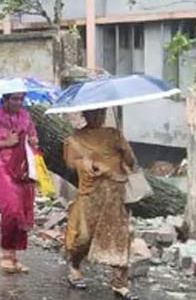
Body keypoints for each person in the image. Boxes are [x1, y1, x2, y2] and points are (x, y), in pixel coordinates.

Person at [63, 108, 139, 300]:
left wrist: (124, 148)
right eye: (93, 113)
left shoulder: (114, 134)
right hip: (90, 194)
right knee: (83, 237)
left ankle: (120, 281)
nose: (98, 116)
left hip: (115, 194)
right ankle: (75, 265)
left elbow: (131, 161)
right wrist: (87, 164)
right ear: (85, 115)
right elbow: (71, 163)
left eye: (101, 113)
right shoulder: (75, 139)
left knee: (119, 236)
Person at [0, 92, 39, 274]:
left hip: (22, 167)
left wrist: (33, 140)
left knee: (22, 210)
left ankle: (13, 257)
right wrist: (5, 142)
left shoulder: (26, 116)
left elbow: (33, 136)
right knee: (10, 209)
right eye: (14, 99)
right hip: (0, 167)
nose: (19, 103)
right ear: (4, 100)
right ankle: (5, 253)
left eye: (21, 99)